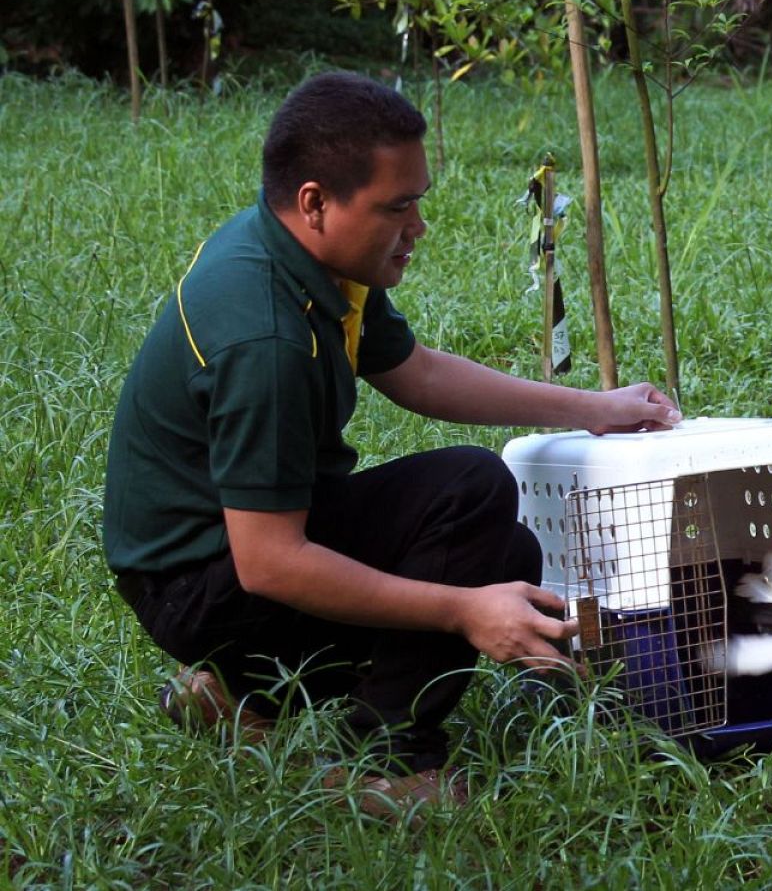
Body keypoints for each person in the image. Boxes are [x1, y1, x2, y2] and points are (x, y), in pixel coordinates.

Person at [102, 72, 681, 815]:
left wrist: (592, 407)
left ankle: (238, 697)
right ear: (314, 202)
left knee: (499, 548)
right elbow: (271, 561)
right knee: (473, 515)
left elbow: (417, 372)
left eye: (419, 201)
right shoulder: (266, 338)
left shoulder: (301, 259)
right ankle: (378, 764)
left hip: (229, 555)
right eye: (397, 207)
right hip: (199, 582)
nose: (418, 228)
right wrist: (459, 612)